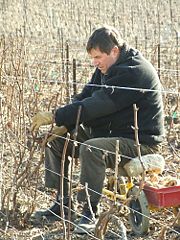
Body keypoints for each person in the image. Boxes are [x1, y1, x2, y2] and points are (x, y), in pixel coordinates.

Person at [31, 26, 165, 233]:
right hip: (111, 132)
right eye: (92, 57)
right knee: (56, 140)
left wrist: (56, 115)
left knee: (92, 149)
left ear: (114, 51)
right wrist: (64, 124)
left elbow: (99, 103)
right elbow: (86, 96)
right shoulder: (108, 67)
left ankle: (89, 211)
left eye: (97, 57)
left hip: (139, 141)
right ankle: (63, 204)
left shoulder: (134, 71)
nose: (94, 62)